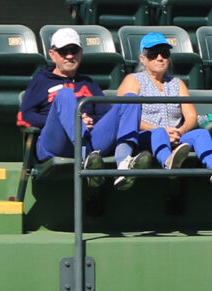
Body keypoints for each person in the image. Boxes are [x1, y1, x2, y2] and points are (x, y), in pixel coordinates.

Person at [20, 26, 142, 185]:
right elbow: (25, 116)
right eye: (64, 51)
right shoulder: (41, 80)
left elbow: (105, 114)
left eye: (74, 51)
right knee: (65, 94)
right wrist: (74, 120)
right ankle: (86, 158)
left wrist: (89, 120)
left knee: (131, 100)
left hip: (92, 145)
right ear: (53, 54)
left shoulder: (88, 82)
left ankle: (124, 164)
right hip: (56, 143)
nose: (70, 56)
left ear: (81, 54)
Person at [115, 33, 212, 185]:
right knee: (159, 133)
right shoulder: (133, 80)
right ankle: (168, 161)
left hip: (176, 136)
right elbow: (126, 116)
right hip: (145, 135)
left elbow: (191, 115)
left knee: (201, 133)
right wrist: (162, 130)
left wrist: (181, 130)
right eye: (153, 54)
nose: (160, 58)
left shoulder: (177, 83)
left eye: (164, 54)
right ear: (143, 59)